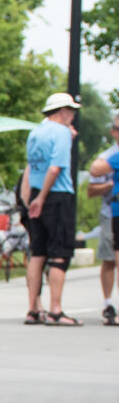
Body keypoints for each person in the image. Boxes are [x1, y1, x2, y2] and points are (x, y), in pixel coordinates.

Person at [22, 91, 82, 325]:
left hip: (36, 192)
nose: (73, 115)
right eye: (72, 111)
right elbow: (55, 168)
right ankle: (56, 309)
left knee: (38, 253)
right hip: (56, 195)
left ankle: (33, 308)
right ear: (63, 111)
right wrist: (43, 197)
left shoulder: (35, 133)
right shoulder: (62, 132)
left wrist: (33, 199)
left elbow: (32, 167)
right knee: (59, 253)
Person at [87, 111, 119, 326]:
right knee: (110, 259)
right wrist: (108, 186)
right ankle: (108, 303)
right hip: (111, 211)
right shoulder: (108, 156)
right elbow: (92, 182)